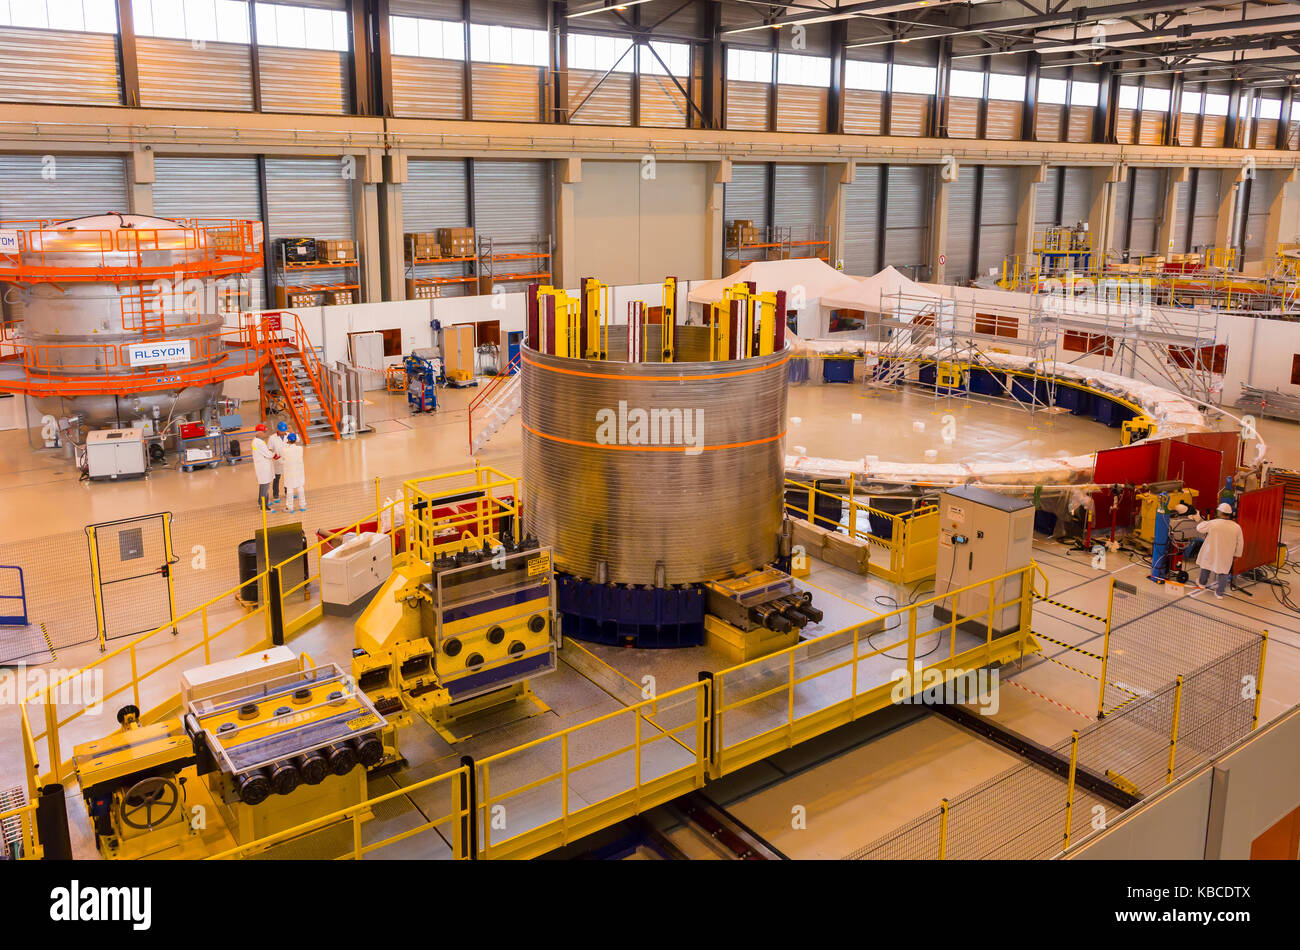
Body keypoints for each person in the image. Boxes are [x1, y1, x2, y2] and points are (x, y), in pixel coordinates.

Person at [1193, 502, 1245, 599]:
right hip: (1226, 554)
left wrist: (1204, 520)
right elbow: (1240, 542)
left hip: (1211, 551)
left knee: (1206, 566)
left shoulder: (1213, 523)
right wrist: (1236, 554)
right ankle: (1219, 593)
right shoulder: (1236, 527)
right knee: (1223, 571)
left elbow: (1199, 528)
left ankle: (1202, 584)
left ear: (1220, 512)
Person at [250, 423, 276, 511]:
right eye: (264, 432)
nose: (265, 433)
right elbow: (268, 454)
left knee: (263, 485)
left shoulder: (256, 441)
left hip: (261, 466)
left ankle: (260, 502)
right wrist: (274, 454)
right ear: (259, 432)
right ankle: (264, 507)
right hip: (263, 468)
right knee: (265, 486)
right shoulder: (259, 443)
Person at [280, 432, 307, 513]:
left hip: (289, 473)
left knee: (290, 489)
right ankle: (302, 506)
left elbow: (282, 460)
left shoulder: (285, 450)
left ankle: (290, 507)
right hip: (299, 471)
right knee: (300, 487)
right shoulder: (300, 448)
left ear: (287, 440)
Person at [268, 421, 289, 506]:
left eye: (284, 431)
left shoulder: (288, 435)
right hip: (277, 461)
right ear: (278, 430)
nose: (283, 433)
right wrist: (275, 457)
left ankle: (288, 492)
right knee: (277, 478)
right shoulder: (272, 438)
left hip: (287, 460)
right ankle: (276, 495)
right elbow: (269, 450)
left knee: (287, 477)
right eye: (281, 431)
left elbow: (295, 439)